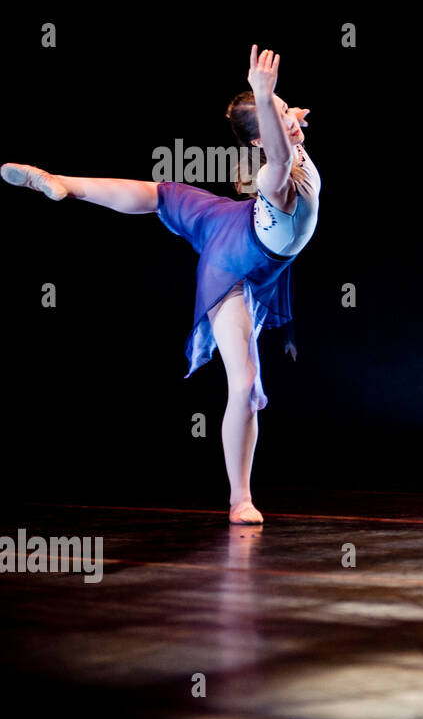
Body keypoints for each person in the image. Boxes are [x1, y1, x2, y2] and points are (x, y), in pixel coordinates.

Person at [3, 46, 321, 524]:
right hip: (233, 263)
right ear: (259, 143)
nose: (289, 119)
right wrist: (264, 95)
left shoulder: (285, 138)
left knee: (163, 195)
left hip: (230, 223)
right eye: (277, 113)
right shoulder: (272, 173)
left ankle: (62, 182)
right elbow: (278, 153)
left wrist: (284, 113)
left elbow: (284, 136)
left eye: (284, 108)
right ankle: (241, 499)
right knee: (247, 383)